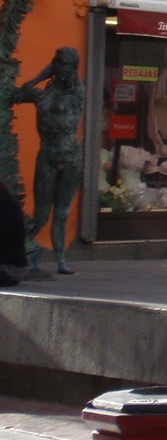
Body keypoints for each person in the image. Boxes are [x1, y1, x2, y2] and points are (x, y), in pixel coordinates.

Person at [11, 47, 85, 276]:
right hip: (48, 155)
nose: (62, 69)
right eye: (59, 64)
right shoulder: (40, 95)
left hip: (71, 157)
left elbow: (72, 84)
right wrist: (33, 80)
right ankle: (23, 251)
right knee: (42, 212)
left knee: (62, 212)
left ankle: (61, 258)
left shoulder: (76, 92)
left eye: (67, 66)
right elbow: (17, 95)